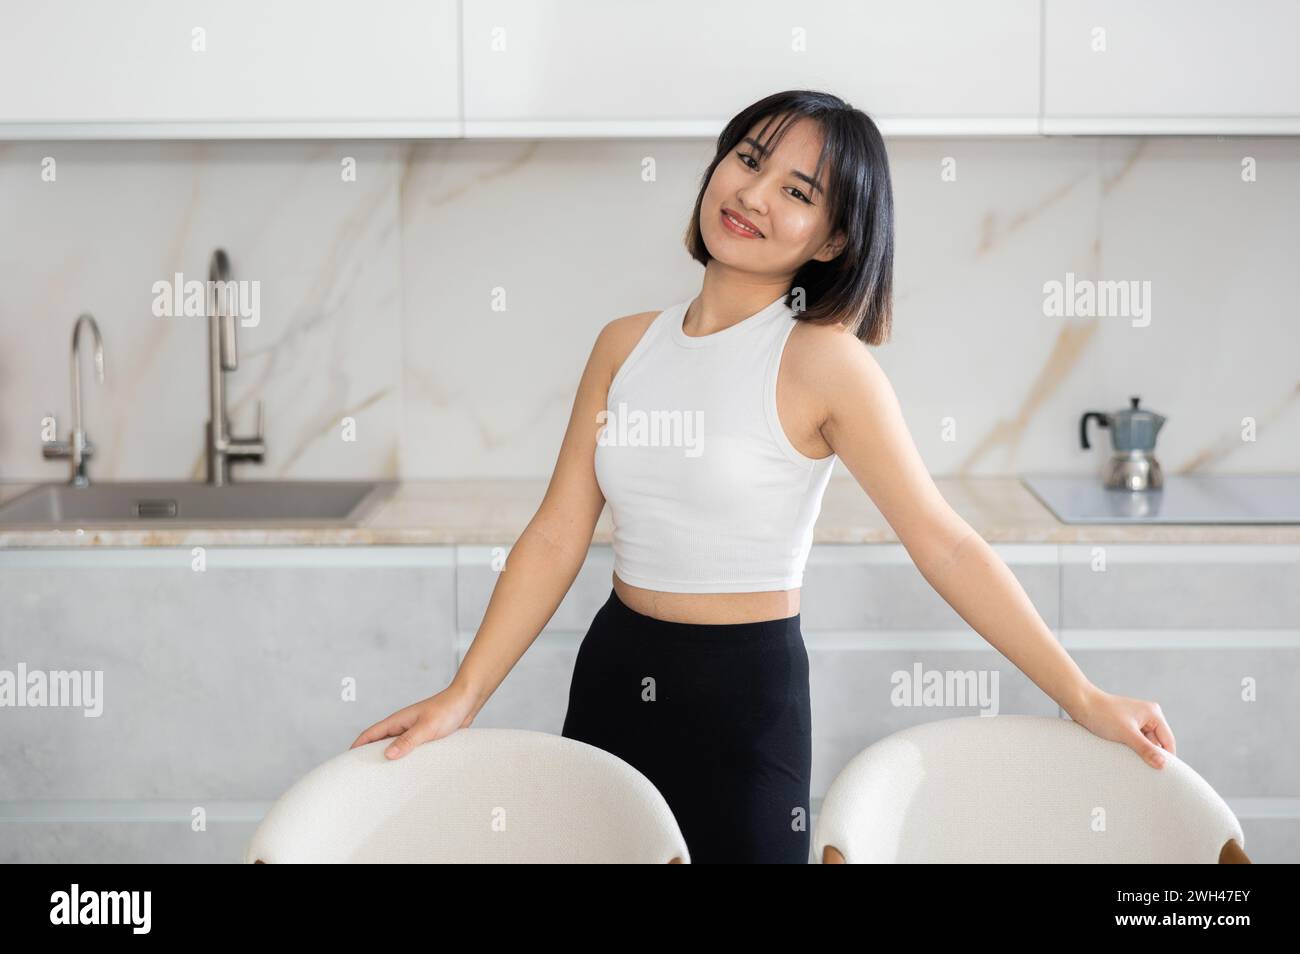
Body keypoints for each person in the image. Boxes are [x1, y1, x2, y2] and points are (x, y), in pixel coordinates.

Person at [352, 89, 1177, 864]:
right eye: (748, 160)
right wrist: (465, 694)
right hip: (614, 671)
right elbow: (558, 534)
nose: (752, 195)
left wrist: (1081, 694)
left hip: (746, 701)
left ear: (832, 240)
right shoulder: (622, 345)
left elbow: (946, 544)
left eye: (797, 191)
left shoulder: (826, 364)